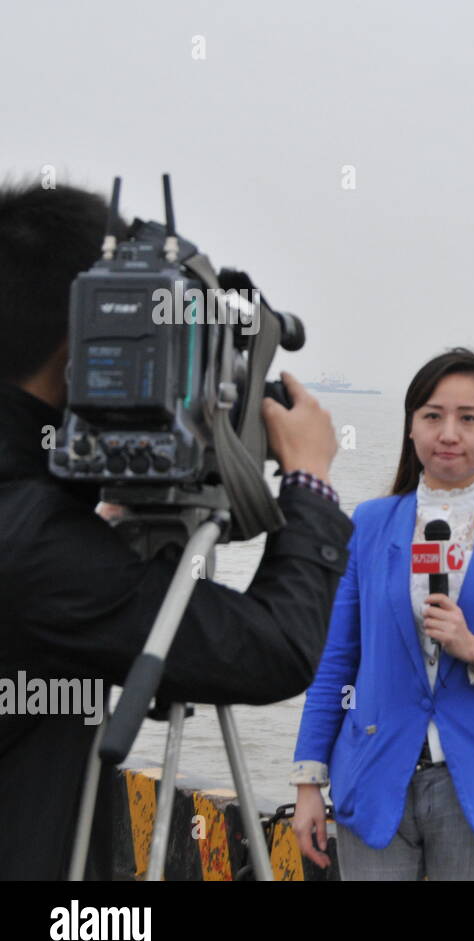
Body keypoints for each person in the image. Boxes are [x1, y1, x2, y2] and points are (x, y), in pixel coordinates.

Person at [0, 181, 352, 879]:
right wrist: (309, 481)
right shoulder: (33, 544)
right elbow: (274, 645)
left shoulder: (38, 520)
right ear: (88, 336)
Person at [291, 348, 474, 880]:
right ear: (410, 427)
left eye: (469, 418)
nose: (449, 433)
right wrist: (309, 779)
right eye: (432, 416)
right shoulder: (372, 522)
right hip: (374, 777)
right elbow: (336, 660)